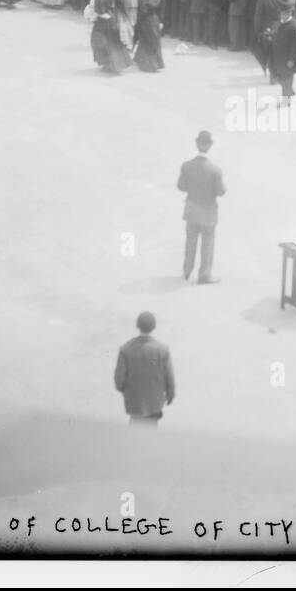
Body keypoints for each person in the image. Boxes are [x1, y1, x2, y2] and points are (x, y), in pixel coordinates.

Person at [178, 130, 224, 284]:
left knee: (190, 241)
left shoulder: (186, 166)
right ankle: (204, 275)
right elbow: (220, 191)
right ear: (209, 145)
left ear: (197, 144)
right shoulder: (215, 170)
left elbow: (181, 186)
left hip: (191, 210)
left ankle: (186, 270)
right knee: (207, 244)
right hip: (208, 213)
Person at [114, 311, 175, 427]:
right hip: (155, 403)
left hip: (134, 402)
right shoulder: (162, 349)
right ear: (154, 326)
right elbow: (169, 377)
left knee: (134, 432)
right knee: (152, 434)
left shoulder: (125, 349)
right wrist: (170, 394)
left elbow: (119, 378)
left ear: (137, 325)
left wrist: (125, 390)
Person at [85, 0, 133, 74]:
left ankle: (107, 63)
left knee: (99, 41)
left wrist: (90, 16)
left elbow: (93, 7)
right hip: (114, 18)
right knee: (114, 41)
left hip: (101, 20)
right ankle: (116, 64)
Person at [269, 4, 296, 102]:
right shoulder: (281, 23)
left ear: (290, 13)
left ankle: (285, 101)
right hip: (278, 57)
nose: (282, 16)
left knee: (286, 78)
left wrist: (291, 59)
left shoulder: (294, 27)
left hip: (287, 58)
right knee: (281, 77)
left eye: (284, 14)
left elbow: (295, 46)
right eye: (281, 13)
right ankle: (289, 91)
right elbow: (278, 34)